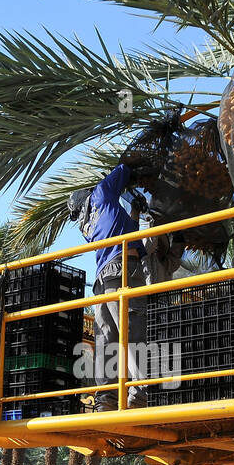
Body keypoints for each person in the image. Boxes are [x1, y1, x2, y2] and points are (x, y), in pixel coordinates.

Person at [69, 163, 158, 411]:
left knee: (106, 339)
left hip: (102, 281)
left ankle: (106, 399)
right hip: (124, 270)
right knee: (132, 331)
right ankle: (141, 394)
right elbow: (125, 168)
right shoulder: (100, 193)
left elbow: (126, 231)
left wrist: (135, 212)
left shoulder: (87, 228)